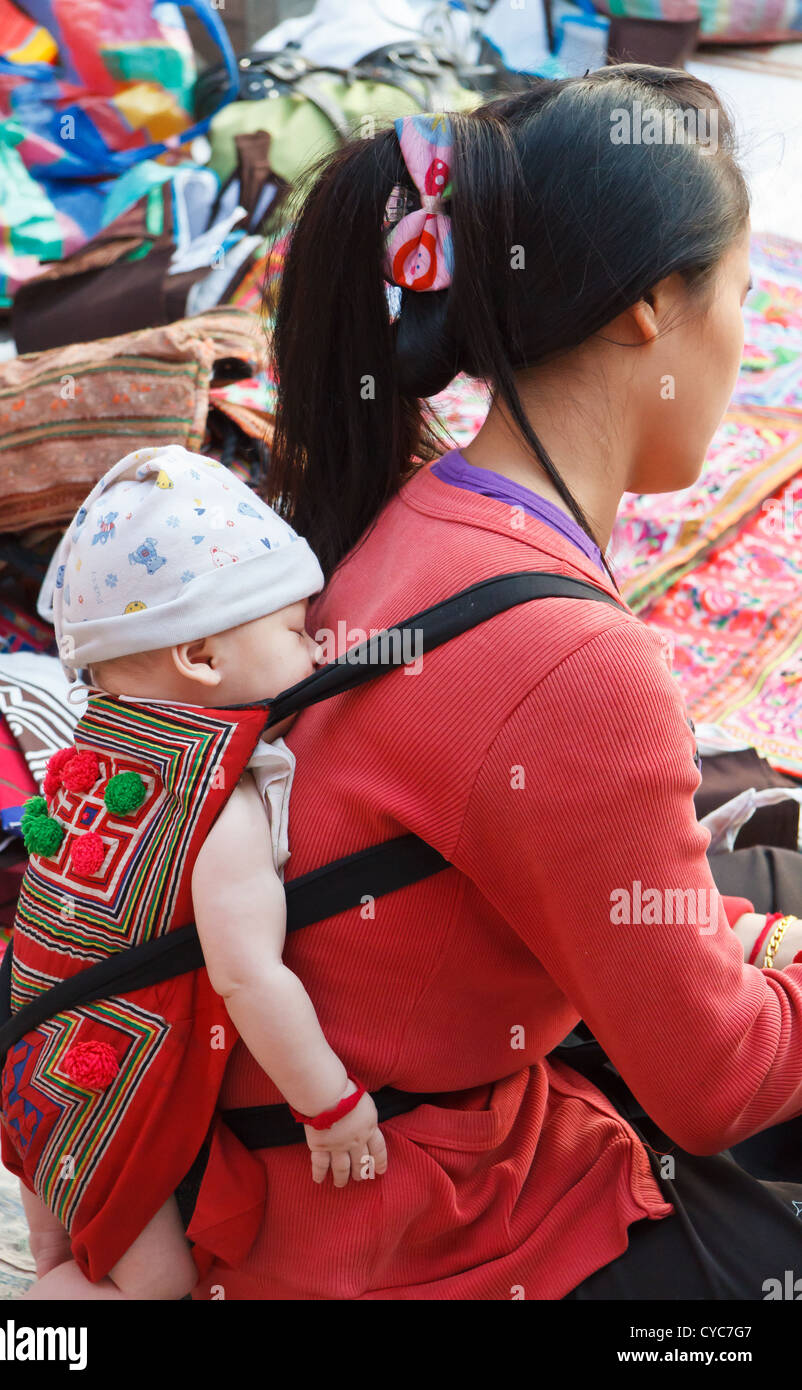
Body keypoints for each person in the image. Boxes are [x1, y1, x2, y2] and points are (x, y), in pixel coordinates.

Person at [188, 68, 802, 1300]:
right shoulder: (567, 660)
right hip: (399, 1222)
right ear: (647, 309)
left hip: (292, 1150)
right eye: (740, 295)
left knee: (759, 878)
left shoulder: (421, 505)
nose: (748, 340)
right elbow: (713, 1079)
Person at [0, 444, 387, 1301]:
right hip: (103, 1090)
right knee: (152, 1284)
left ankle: (54, 1273)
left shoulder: (97, 751)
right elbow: (248, 975)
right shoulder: (220, 805)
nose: (316, 654)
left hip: (27, 1065)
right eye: (294, 633)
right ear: (201, 659)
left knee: (64, 1244)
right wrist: (332, 1104)